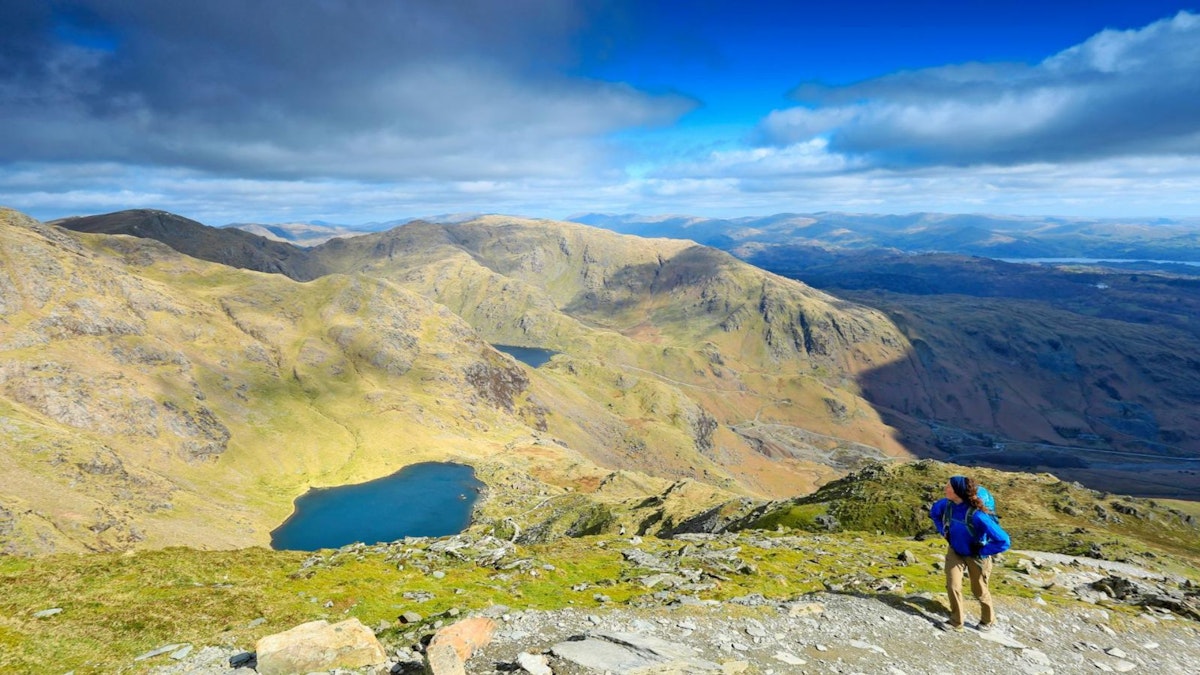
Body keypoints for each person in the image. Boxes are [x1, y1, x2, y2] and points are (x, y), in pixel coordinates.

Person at [929, 475, 1010, 632]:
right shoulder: (946, 505)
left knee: (979, 590)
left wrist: (982, 551)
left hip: (977, 556)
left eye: (949, 487)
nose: (945, 488)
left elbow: (1003, 541)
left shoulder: (978, 515)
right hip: (955, 550)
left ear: (958, 491)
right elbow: (934, 514)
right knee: (953, 585)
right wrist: (943, 531)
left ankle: (988, 620)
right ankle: (956, 622)